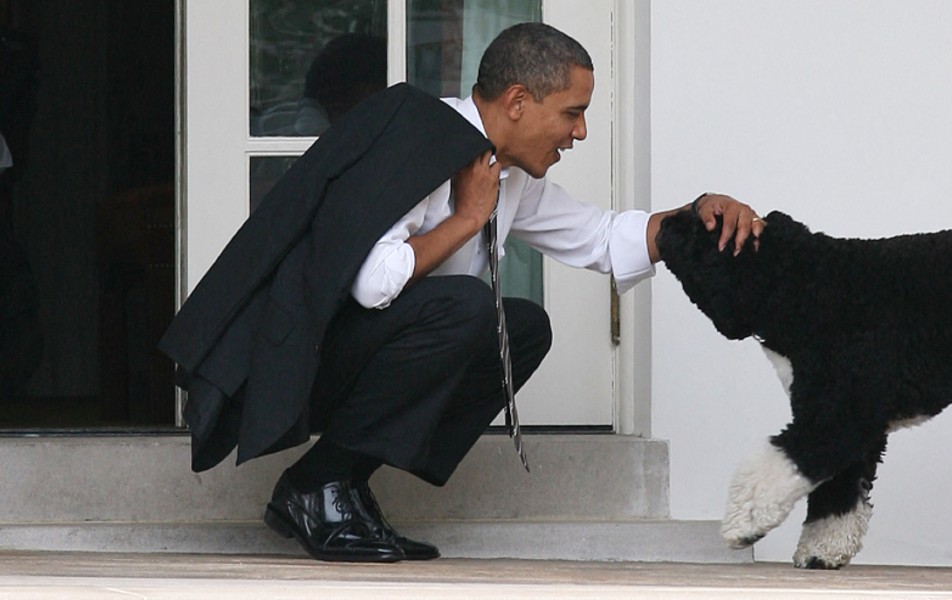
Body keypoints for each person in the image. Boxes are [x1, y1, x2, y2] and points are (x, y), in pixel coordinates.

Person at [160, 22, 765, 563]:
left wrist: (697, 214)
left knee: (524, 328)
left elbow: (602, 237)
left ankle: (328, 480)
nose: (580, 131)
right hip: (294, 365)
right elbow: (371, 284)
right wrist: (468, 219)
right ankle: (320, 488)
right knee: (468, 307)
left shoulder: (504, 171)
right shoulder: (420, 136)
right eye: (572, 112)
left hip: (358, 358)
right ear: (519, 102)